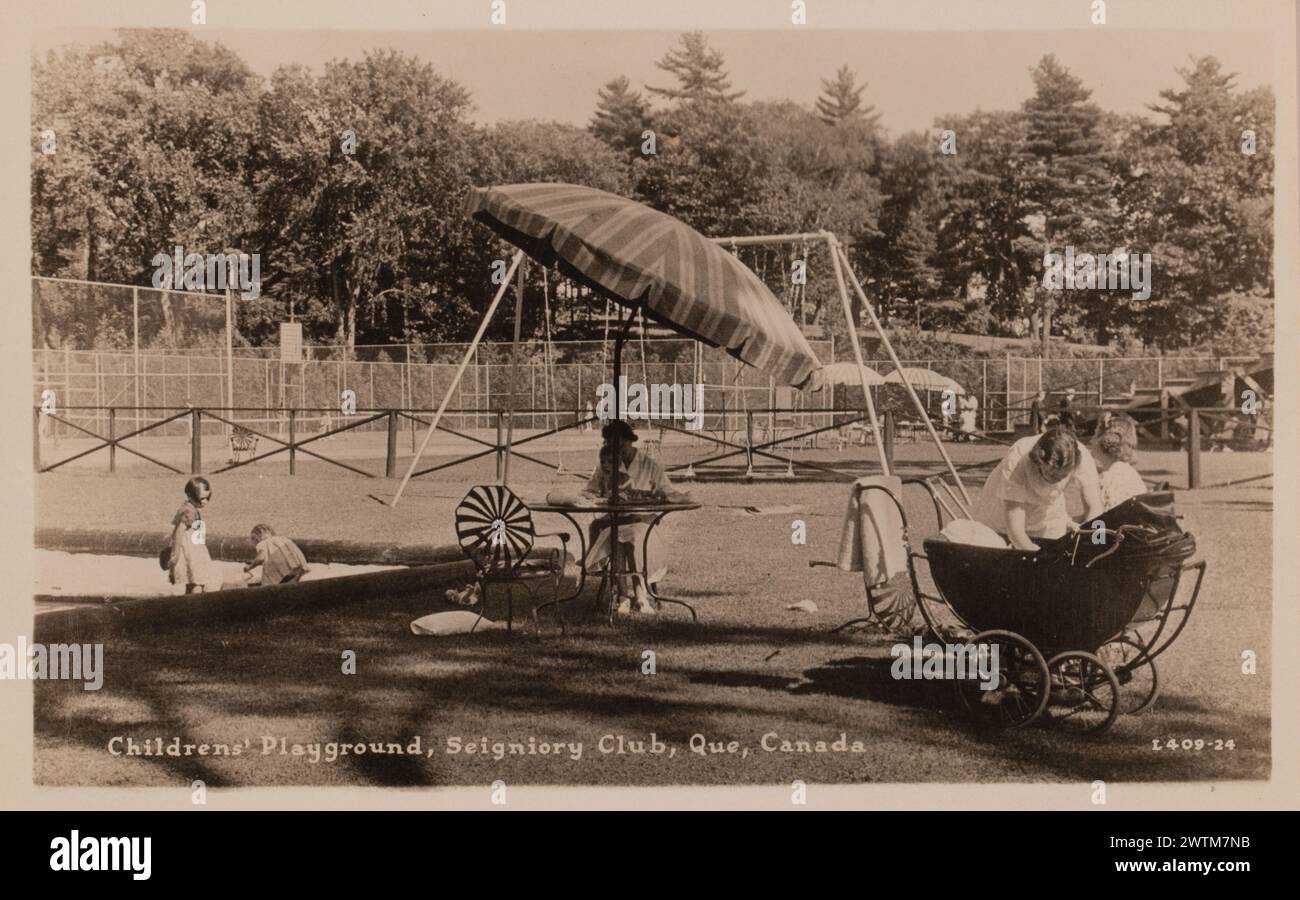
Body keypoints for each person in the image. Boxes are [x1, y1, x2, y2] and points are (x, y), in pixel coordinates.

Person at [583, 420, 689, 615]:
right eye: (611, 446)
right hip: (616, 520)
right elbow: (589, 490)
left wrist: (657, 496)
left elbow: (668, 493)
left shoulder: (650, 465)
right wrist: (600, 497)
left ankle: (639, 596)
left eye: (621, 445)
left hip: (643, 521)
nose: (617, 451)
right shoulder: (606, 465)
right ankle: (625, 597)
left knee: (631, 536)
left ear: (630, 441)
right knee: (617, 534)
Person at [969, 426, 1104, 552]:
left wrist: (1096, 544)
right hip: (1003, 516)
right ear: (1039, 462)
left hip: (1048, 512)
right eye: (1052, 475)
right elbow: (1015, 529)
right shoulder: (1018, 458)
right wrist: (1035, 556)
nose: (1058, 480)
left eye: (1063, 475)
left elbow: (1095, 508)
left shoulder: (1081, 456)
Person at [168, 476, 217, 594]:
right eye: (202, 499)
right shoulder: (189, 511)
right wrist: (175, 554)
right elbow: (179, 530)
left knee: (193, 580)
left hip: (194, 549)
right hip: (191, 551)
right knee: (197, 580)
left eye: (207, 498)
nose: (205, 502)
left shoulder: (190, 508)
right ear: (191, 496)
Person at [1092, 415, 1148, 510]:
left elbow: (1101, 519)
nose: (1091, 445)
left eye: (1093, 441)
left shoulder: (1112, 478)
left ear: (1103, 445)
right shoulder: (1124, 470)